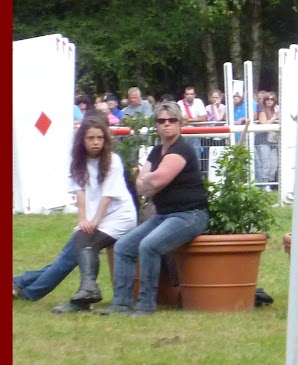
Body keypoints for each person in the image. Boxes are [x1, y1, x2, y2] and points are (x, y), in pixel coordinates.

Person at [14, 113, 135, 308]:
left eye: (100, 138)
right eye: (90, 138)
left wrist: (93, 221)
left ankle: (27, 290)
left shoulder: (113, 160)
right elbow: (81, 193)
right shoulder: (78, 162)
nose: (96, 142)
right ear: (82, 140)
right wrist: (82, 219)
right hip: (96, 216)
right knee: (67, 256)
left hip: (119, 216)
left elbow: (108, 195)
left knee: (80, 244)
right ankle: (22, 286)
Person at [100, 103, 210, 316]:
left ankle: (145, 305)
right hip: (164, 215)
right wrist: (147, 180)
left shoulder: (182, 149)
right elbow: (140, 186)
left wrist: (148, 179)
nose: (166, 124)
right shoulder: (157, 151)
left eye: (172, 120)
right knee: (123, 246)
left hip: (190, 215)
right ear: (156, 125)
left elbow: (158, 180)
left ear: (180, 123)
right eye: (161, 121)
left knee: (149, 246)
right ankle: (121, 304)